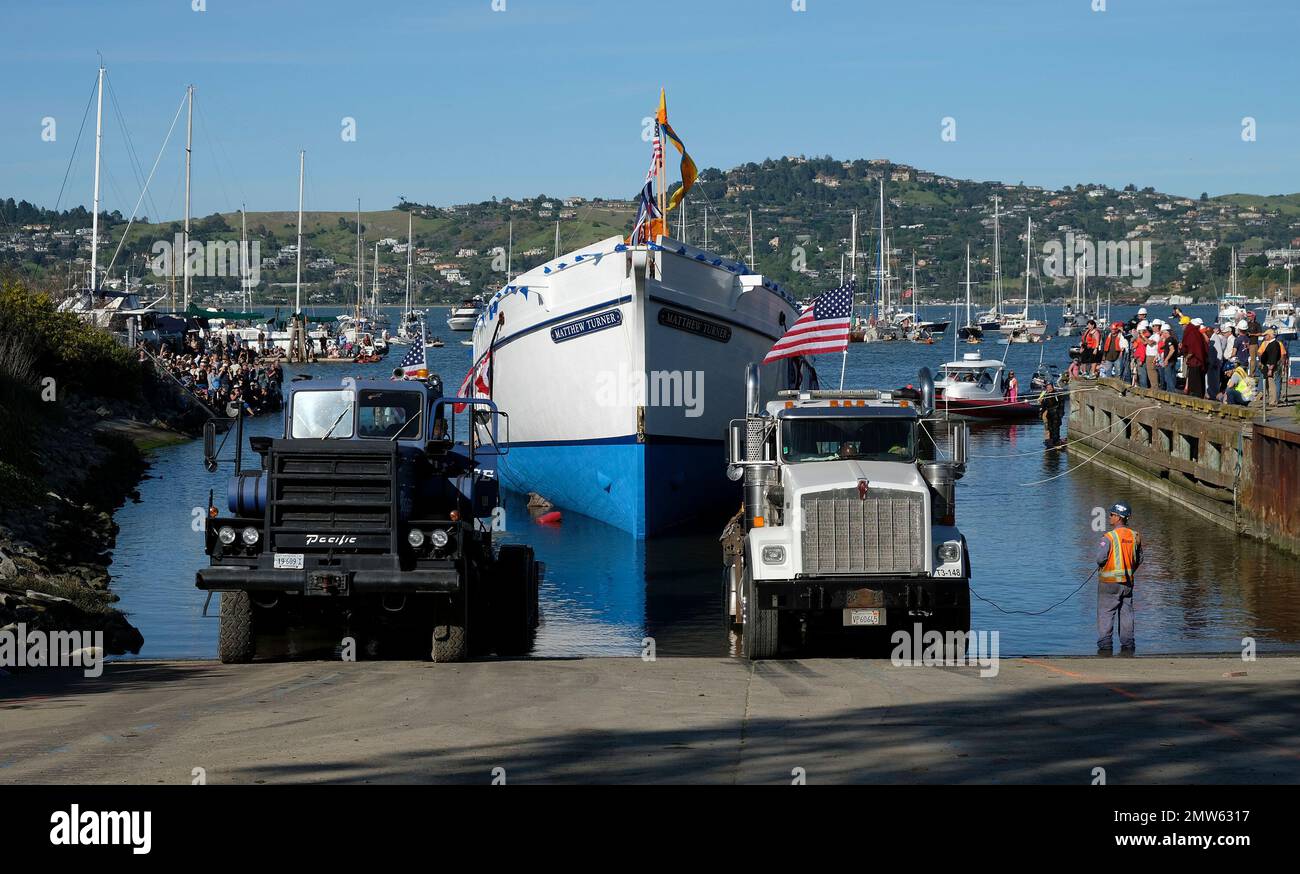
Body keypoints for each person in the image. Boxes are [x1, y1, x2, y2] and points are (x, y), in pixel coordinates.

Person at [1097, 502, 1143, 656]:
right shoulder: (1134, 535)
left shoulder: (1108, 537)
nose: (1109, 517)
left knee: (1106, 614)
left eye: (1111, 514)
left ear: (1118, 517)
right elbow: (1140, 559)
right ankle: (1128, 647)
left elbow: (1100, 558)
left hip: (1109, 583)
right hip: (1128, 583)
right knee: (1126, 614)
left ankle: (1105, 647)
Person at [1179, 317, 1208, 398]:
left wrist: (1187, 357)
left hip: (1195, 361)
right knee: (1199, 381)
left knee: (1195, 382)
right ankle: (1199, 396)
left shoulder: (1192, 333)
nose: (1182, 327)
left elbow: (1192, 350)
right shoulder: (1196, 333)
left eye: (1183, 325)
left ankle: (1196, 397)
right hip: (1198, 360)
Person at [1258, 328, 1287, 405]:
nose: (1264, 337)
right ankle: (1272, 400)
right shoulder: (1271, 343)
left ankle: (1273, 401)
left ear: (1270, 336)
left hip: (1271, 366)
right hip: (1268, 365)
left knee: (1272, 384)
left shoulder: (1274, 344)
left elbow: (1273, 357)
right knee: (1269, 384)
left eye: (1266, 335)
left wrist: (1271, 368)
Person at [1039, 382, 1065, 447]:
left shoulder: (1056, 394)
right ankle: (1051, 440)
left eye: (1050, 387)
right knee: (1050, 428)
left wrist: (1061, 412)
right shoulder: (1045, 395)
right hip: (1049, 413)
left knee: (1056, 427)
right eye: (1048, 387)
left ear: (1052, 387)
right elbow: (1043, 406)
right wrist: (1041, 413)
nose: (1049, 388)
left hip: (1056, 413)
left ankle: (1056, 440)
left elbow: (1061, 403)